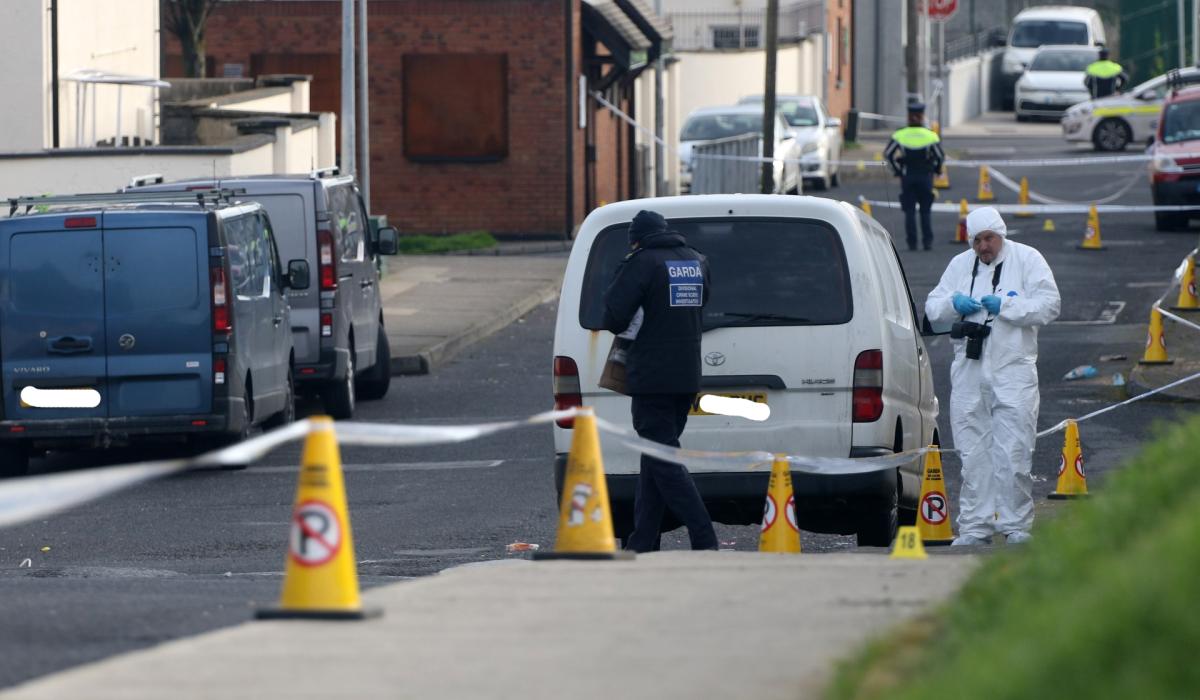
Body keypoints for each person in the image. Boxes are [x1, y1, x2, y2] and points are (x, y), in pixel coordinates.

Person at [924, 207, 1061, 545]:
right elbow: (932, 306)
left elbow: (1049, 304)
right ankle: (975, 527)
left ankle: (1015, 525)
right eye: (977, 241)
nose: (983, 246)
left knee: (1013, 450)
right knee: (973, 453)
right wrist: (955, 303)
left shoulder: (1027, 260)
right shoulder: (960, 266)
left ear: (1001, 235)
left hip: (1013, 371)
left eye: (989, 239)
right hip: (969, 372)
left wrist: (1008, 308)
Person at [602, 209, 718, 553]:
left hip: (652, 376)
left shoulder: (642, 262)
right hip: (686, 376)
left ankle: (704, 536)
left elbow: (613, 316)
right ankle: (642, 541)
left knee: (663, 460)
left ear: (637, 239)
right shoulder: (696, 260)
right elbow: (702, 304)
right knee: (655, 455)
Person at [884, 102, 945, 251]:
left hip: (908, 176)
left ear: (908, 117)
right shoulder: (931, 135)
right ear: (922, 116)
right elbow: (940, 156)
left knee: (909, 211)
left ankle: (912, 243)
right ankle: (927, 242)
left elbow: (888, 155)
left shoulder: (900, 134)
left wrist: (897, 171)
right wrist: (936, 170)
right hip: (925, 177)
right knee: (925, 210)